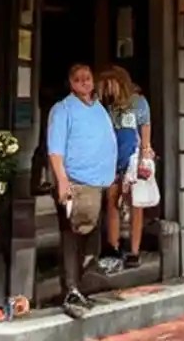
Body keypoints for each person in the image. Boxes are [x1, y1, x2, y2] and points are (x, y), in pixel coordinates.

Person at [47, 64, 118, 318]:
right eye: (78, 79)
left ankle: (83, 284)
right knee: (72, 237)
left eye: (87, 78)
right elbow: (55, 149)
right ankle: (71, 288)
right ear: (71, 83)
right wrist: (62, 181)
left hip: (95, 184)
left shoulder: (98, 107)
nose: (84, 82)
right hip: (74, 183)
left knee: (90, 236)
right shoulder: (63, 109)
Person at [98, 66, 154, 272]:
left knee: (135, 204)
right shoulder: (105, 106)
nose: (106, 89)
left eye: (109, 84)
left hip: (133, 159)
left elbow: (145, 134)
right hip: (111, 160)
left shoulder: (139, 103)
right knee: (111, 201)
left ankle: (134, 250)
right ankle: (113, 246)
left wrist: (144, 159)